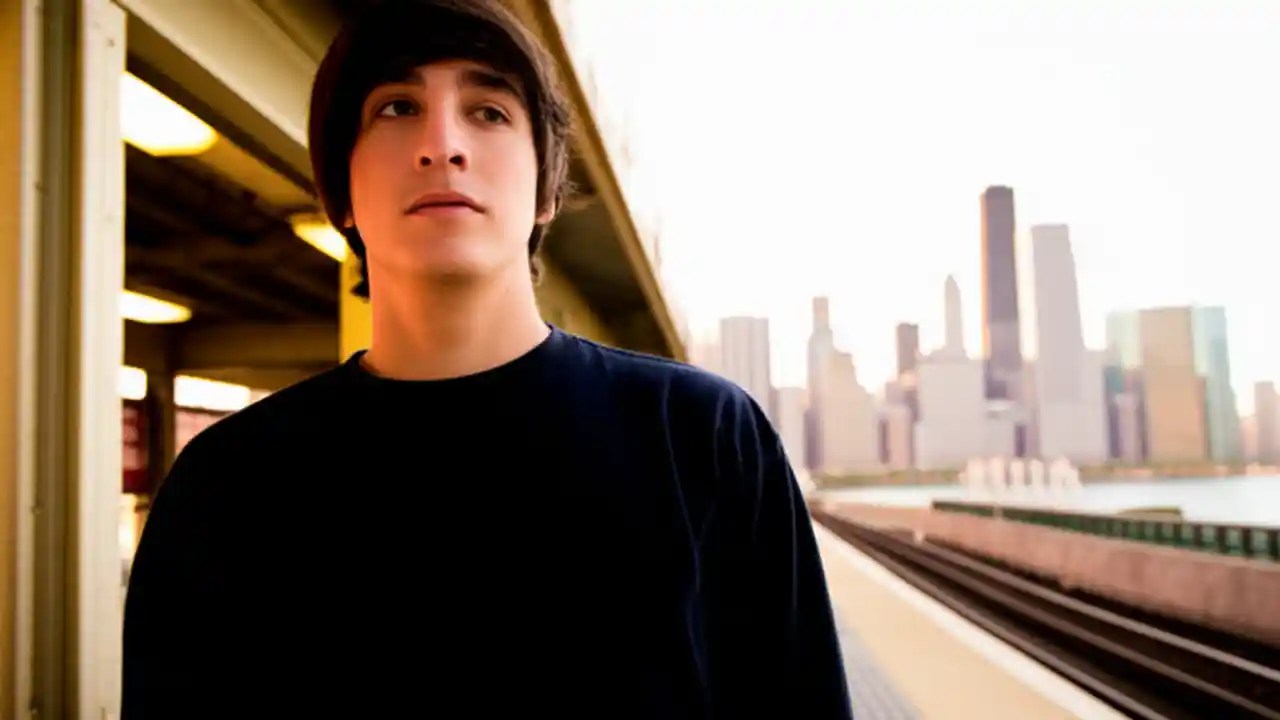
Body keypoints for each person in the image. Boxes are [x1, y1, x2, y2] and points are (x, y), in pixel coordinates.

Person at [121, 0, 853, 717]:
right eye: (396, 108)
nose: (443, 143)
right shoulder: (230, 483)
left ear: (545, 192)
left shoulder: (701, 436)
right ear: (340, 192)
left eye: (490, 111)